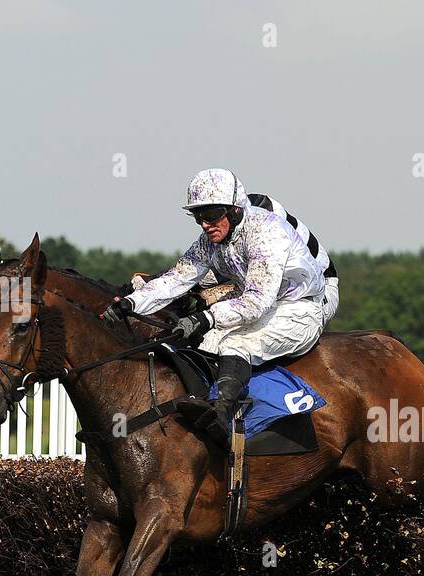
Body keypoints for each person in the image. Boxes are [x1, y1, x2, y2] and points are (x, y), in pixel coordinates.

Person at [102, 168, 329, 442]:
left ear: (234, 210)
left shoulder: (267, 231)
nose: (204, 224)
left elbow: (256, 302)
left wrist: (205, 318)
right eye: (198, 217)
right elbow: (176, 279)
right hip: (264, 306)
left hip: (299, 309)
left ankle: (221, 419)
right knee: (202, 343)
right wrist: (131, 303)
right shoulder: (208, 243)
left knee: (235, 344)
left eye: (210, 215)